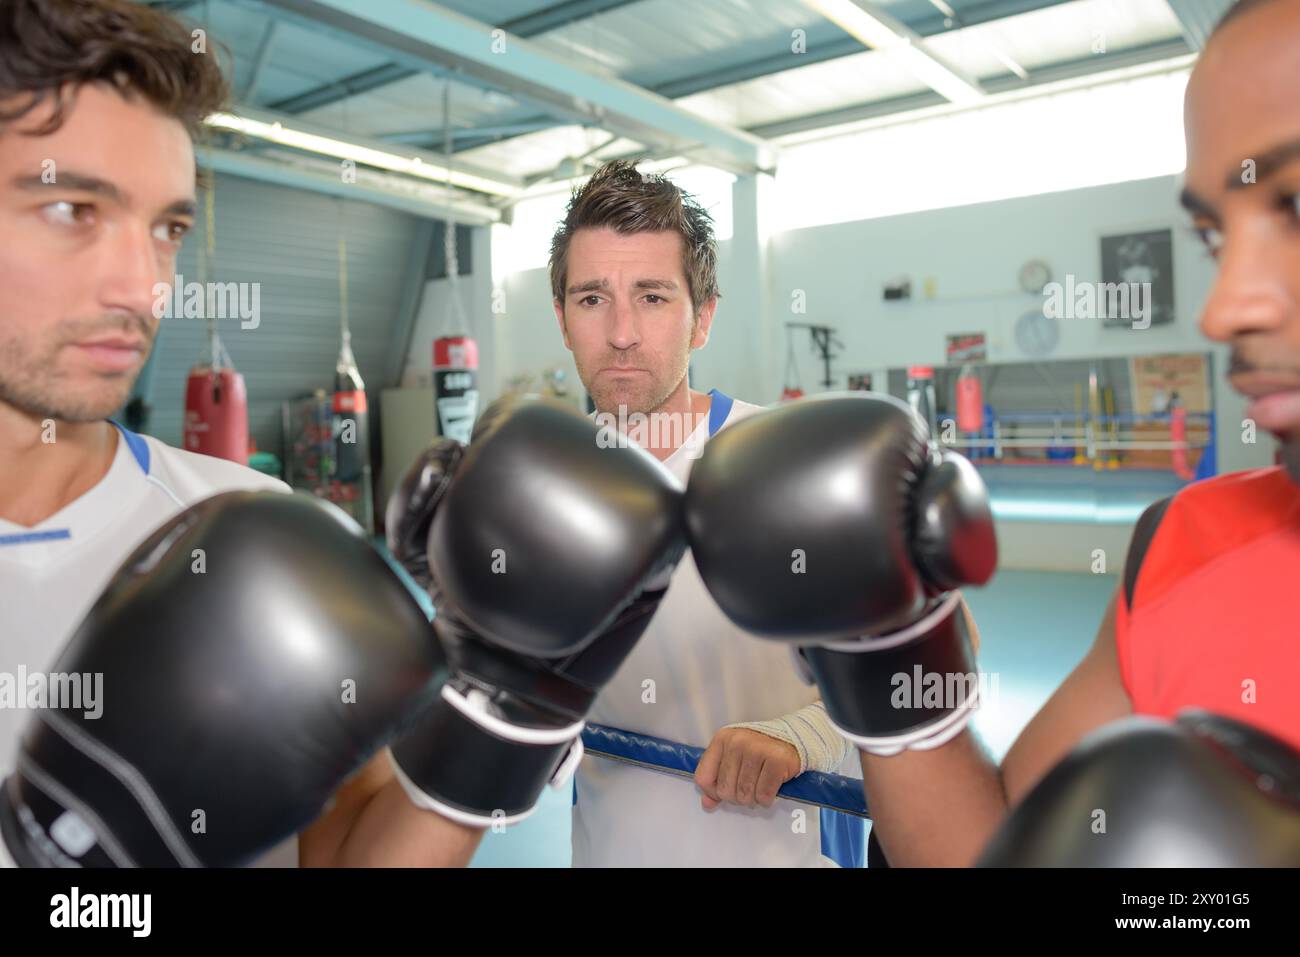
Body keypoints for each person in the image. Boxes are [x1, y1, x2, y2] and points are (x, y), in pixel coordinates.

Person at [685, 0, 1300, 867]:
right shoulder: (1185, 548)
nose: (1225, 305)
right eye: (1210, 234)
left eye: (1297, 202)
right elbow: (986, 854)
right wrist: (892, 640)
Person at [551, 161, 860, 867]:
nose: (622, 331)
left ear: (704, 316)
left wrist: (799, 737)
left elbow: (910, 678)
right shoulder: (544, 496)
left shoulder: (785, 466)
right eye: (593, 298)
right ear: (563, 318)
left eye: (653, 297)